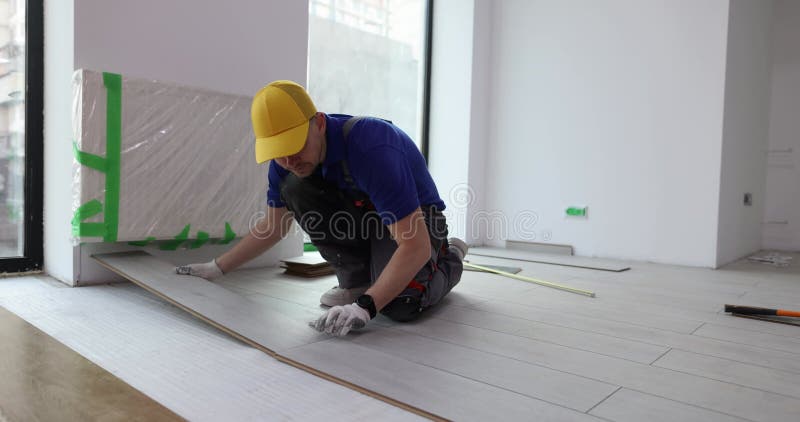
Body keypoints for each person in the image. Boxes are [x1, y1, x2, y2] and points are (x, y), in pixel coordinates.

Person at [176, 80, 466, 337]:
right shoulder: (287, 164)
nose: (288, 159)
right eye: (279, 153)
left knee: (401, 304)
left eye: (295, 146)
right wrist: (216, 267)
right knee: (295, 185)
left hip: (416, 221)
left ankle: (450, 255)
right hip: (368, 216)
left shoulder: (372, 146)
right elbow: (273, 227)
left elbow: (413, 245)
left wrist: (366, 306)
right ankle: (358, 280)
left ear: (320, 123)